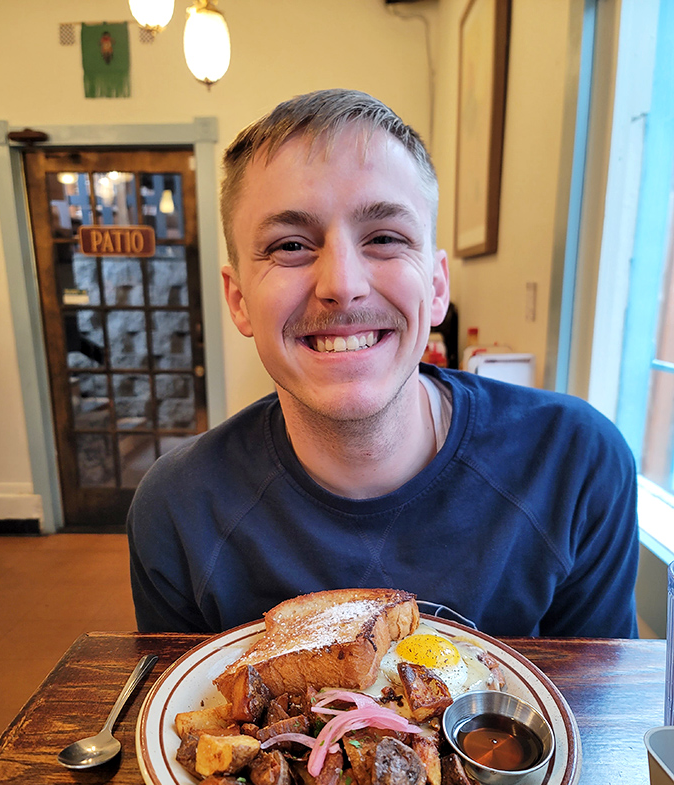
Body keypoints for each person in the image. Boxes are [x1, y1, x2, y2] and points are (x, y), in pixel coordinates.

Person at [127, 88, 639, 638]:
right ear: (238, 300)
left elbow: (596, 711)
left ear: (437, 286)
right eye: (291, 245)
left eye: (385, 238)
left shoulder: (574, 464)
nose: (342, 286)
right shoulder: (177, 510)